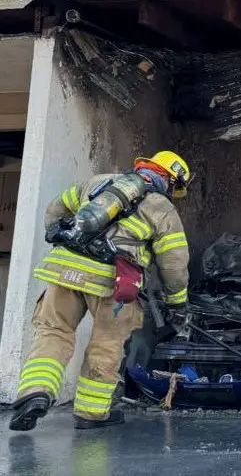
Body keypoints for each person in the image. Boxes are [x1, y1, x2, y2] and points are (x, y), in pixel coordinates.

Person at [9, 151, 193, 432]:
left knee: (53, 331)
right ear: (170, 181)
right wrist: (176, 303)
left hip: (63, 270)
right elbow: (174, 265)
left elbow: (55, 211)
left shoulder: (96, 182)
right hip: (114, 282)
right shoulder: (162, 208)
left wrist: (55, 234)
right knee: (106, 342)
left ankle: (36, 392)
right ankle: (91, 413)